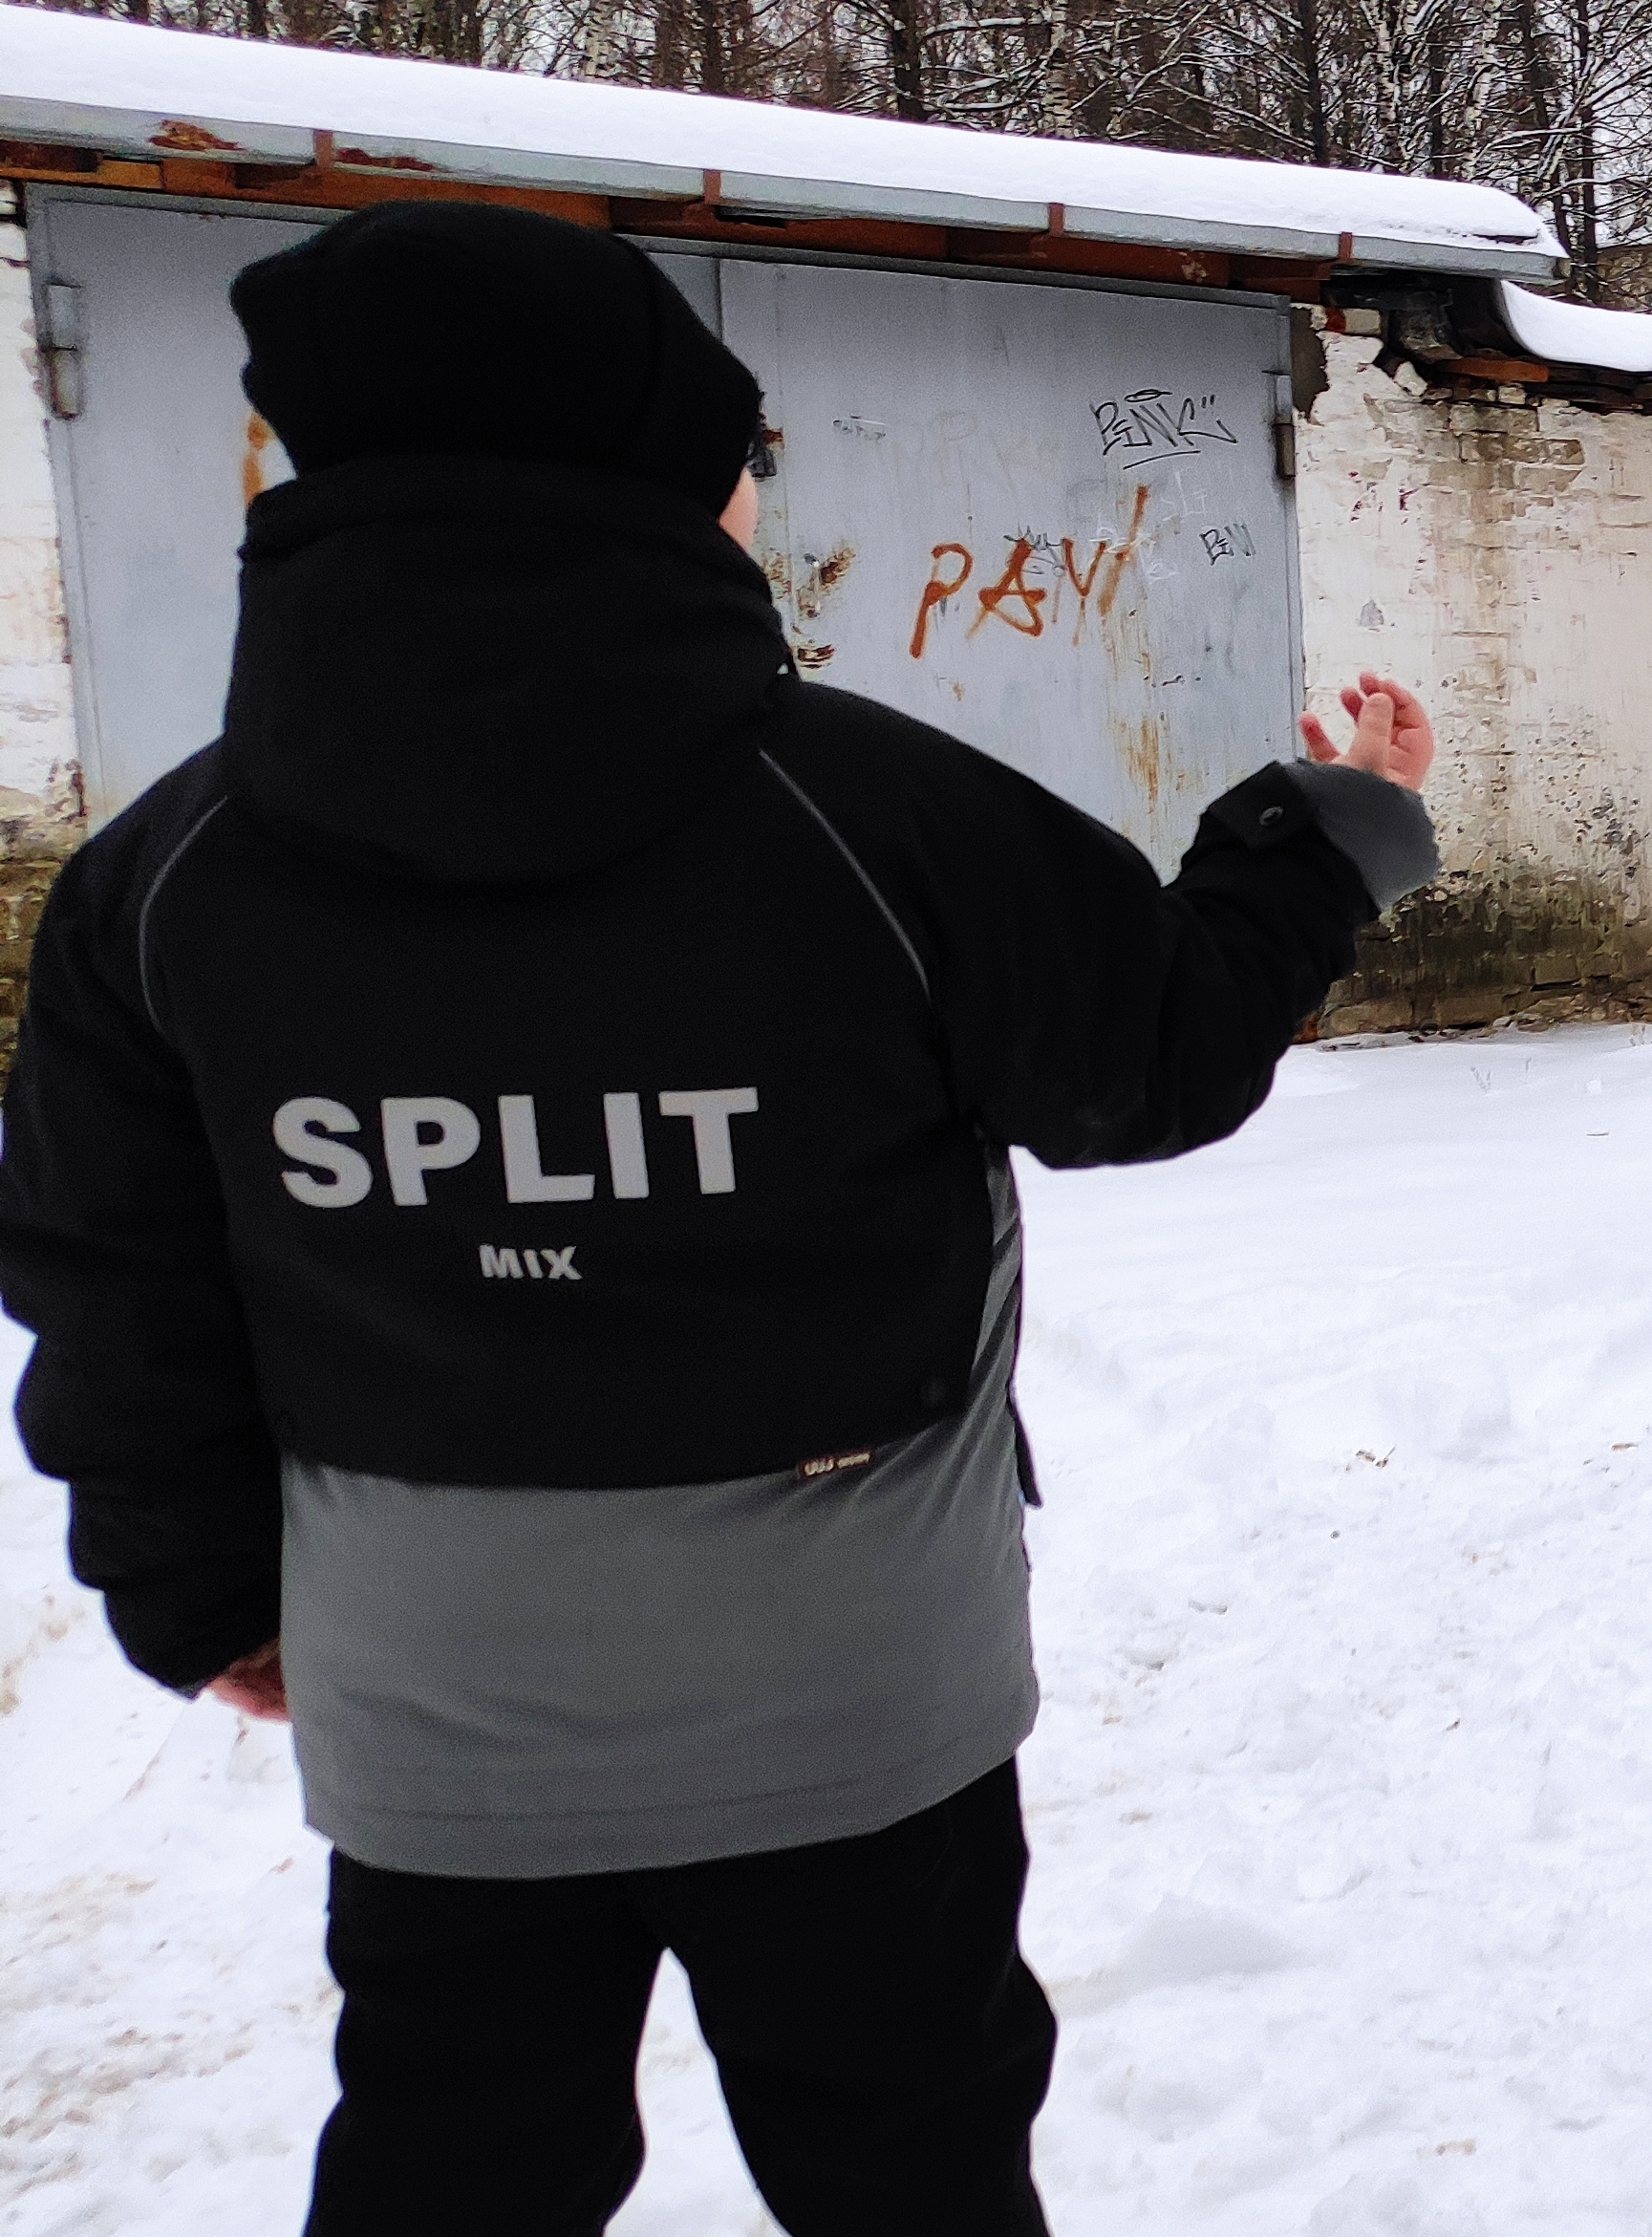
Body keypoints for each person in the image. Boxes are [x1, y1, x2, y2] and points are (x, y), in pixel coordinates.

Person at [0, 200, 1443, 2233]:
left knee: (450, 2168)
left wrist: (197, 1587)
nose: (762, 496)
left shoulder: (165, 879)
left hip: (434, 1720)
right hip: (856, 1716)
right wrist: (1338, 827)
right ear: (657, 475)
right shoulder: (871, 819)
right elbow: (1155, 1049)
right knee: (910, 2167)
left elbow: (107, 1280)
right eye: (745, 457)